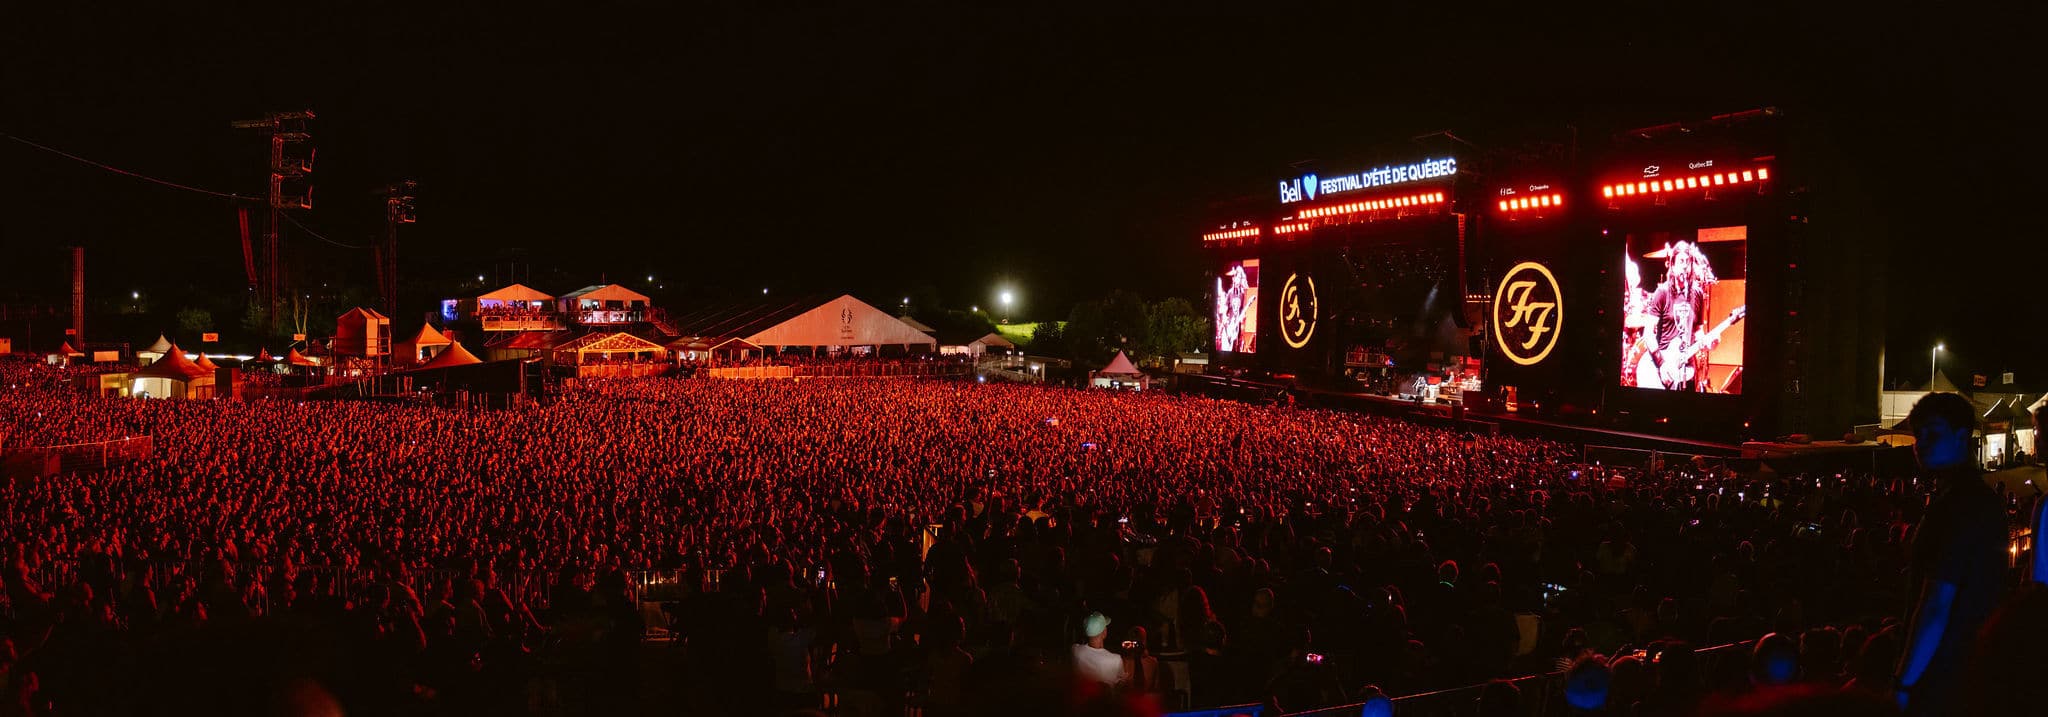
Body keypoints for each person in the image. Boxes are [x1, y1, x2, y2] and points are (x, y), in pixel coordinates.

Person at [1894, 392, 2008, 716]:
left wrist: (1903, 683)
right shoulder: (1968, 500)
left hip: (1942, 676)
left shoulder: (1961, 505)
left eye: (1933, 433)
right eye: (1918, 435)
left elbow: (1936, 604)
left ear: (1962, 436)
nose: (1921, 443)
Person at [1072, 612, 1122, 688]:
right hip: (1106, 699)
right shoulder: (1116, 660)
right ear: (1104, 632)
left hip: (1081, 697)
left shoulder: (1075, 650)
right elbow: (1121, 683)